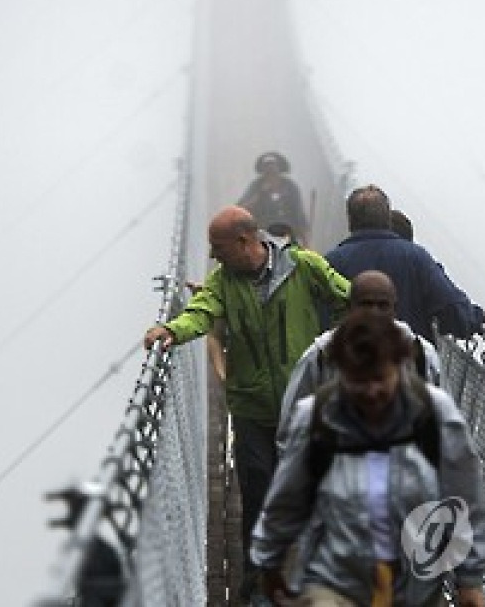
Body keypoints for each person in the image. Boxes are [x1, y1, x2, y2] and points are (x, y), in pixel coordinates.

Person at [143, 205, 349, 600]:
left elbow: (348, 295)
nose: (213, 256)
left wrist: (334, 345)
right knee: (257, 494)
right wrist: (173, 330)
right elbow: (201, 314)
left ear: (243, 241)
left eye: (217, 247)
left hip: (305, 406)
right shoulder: (222, 283)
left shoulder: (305, 267)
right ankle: (259, 583)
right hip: (251, 408)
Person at [250, 310, 485, 607]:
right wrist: (270, 562)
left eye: (380, 378)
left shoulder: (435, 415)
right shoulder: (315, 417)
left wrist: (470, 580)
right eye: (359, 381)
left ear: (400, 367)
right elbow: (286, 500)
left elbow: (465, 498)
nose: (371, 391)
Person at [276, 270, 442, 453]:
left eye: (382, 305)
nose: (374, 314)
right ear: (349, 308)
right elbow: (291, 426)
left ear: (395, 310)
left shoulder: (421, 356)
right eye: (366, 305)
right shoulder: (321, 356)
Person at [326, 185, 485, 342]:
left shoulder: (332, 263)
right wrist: (476, 318)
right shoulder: (417, 258)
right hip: (406, 361)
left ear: (350, 220)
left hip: (348, 362)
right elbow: (453, 311)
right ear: (387, 217)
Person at [237, 151, 310, 246]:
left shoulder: (290, 186)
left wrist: (306, 242)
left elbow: (299, 214)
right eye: (267, 167)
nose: (271, 170)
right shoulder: (256, 186)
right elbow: (241, 209)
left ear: (279, 168)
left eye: (273, 166)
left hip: (287, 236)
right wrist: (260, 194)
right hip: (263, 236)